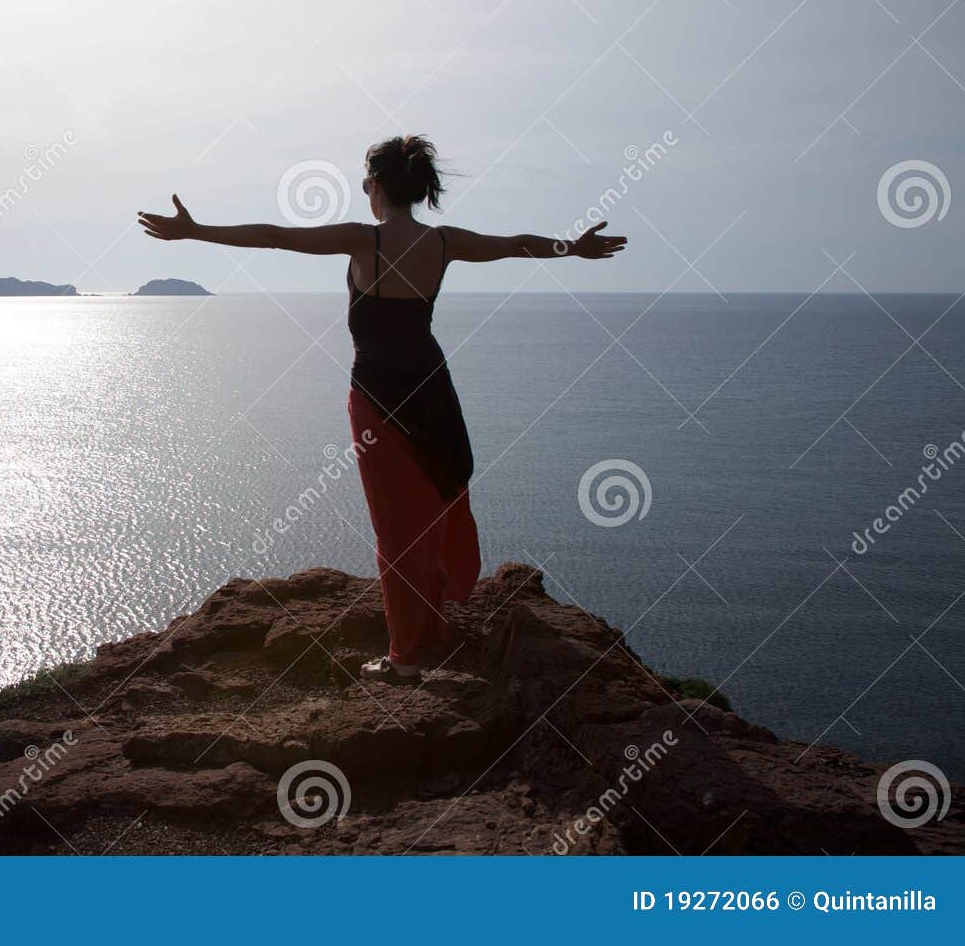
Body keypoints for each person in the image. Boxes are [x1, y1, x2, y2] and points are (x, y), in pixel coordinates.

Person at [136, 134, 626, 681]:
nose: (364, 189)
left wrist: (197, 232)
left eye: (365, 181)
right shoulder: (443, 242)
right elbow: (517, 244)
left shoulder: (362, 241)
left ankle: (404, 659)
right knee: (435, 502)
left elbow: (275, 237)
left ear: (379, 186)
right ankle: (431, 628)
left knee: (395, 525)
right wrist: (574, 248)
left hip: (377, 394)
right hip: (432, 387)